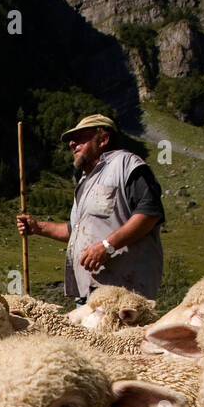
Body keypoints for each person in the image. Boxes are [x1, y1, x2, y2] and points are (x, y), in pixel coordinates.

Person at [17, 113, 165, 305]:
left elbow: (149, 214)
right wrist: (37, 227)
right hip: (90, 295)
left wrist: (106, 246)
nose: (72, 143)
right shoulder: (86, 182)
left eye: (80, 138)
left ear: (103, 139)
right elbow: (75, 230)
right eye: (72, 140)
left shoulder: (127, 165)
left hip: (123, 295)